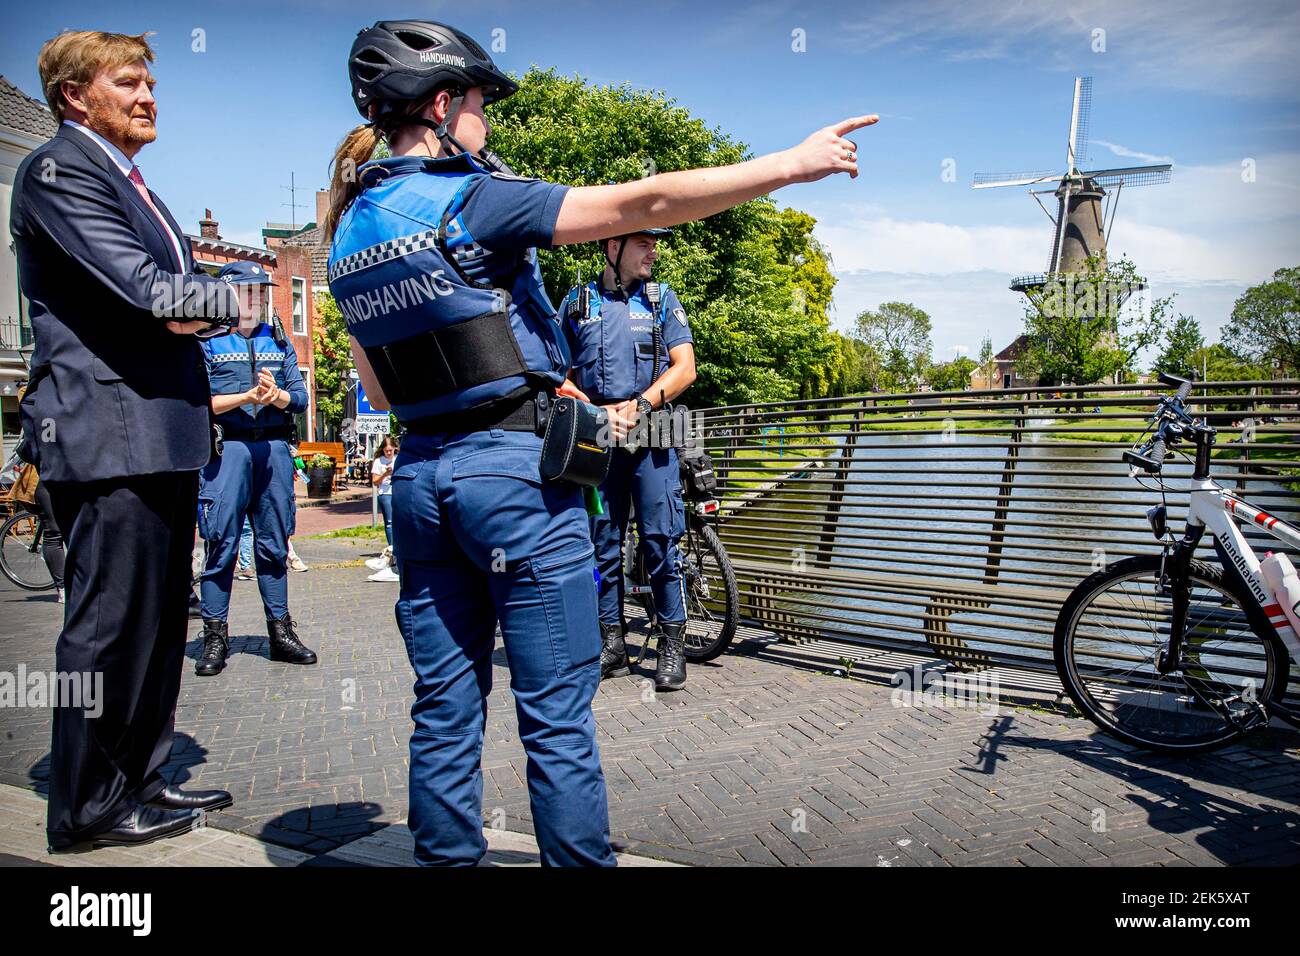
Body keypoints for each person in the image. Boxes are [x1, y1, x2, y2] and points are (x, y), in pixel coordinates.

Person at [326, 18, 872, 866]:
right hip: (513, 478)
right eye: (478, 105)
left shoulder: (349, 238)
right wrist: (791, 165)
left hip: (421, 481)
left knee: (442, 706)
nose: (487, 123)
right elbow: (643, 202)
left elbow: (388, 387)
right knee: (555, 712)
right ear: (440, 105)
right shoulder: (474, 200)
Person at [12, 30, 239, 850]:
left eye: (151, 83)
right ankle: (85, 808)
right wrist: (236, 302)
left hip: (161, 435)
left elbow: (169, 288)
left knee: (152, 624)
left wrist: (200, 298)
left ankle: (139, 782)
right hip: (110, 436)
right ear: (75, 95)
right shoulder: (59, 170)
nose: (149, 96)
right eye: (129, 82)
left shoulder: (127, 180)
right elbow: (148, 294)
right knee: (108, 628)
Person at [561, 228, 696, 689]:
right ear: (612, 246)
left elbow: (686, 368)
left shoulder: (661, 300)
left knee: (661, 543)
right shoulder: (577, 305)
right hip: (598, 440)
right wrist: (594, 409)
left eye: (656, 243)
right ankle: (612, 644)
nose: (654, 251)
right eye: (644, 243)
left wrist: (640, 405)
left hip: (652, 439)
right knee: (601, 547)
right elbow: (556, 376)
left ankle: (671, 644)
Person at [193, 260, 317, 677]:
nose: (257, 298)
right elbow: (198, 403)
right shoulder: (208, 342)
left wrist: (276, 395)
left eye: (261, 291)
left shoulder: (278, 341)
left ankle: (280, 632)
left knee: (273, 544)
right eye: (249, 291)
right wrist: (246, 395)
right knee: (221, 544)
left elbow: (300, 399)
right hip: (227, 451)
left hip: (273, 450)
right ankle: (215, 636)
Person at [366, 434, 399, 582]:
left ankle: (398, 551)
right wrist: (386, 473)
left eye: (391, 450)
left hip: (398, 492)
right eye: (386, 451)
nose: (389, 453)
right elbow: (375, 481)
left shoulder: (399, 459)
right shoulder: (379, 462)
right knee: (390, 523)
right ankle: (391, 549)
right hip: (385, 493)